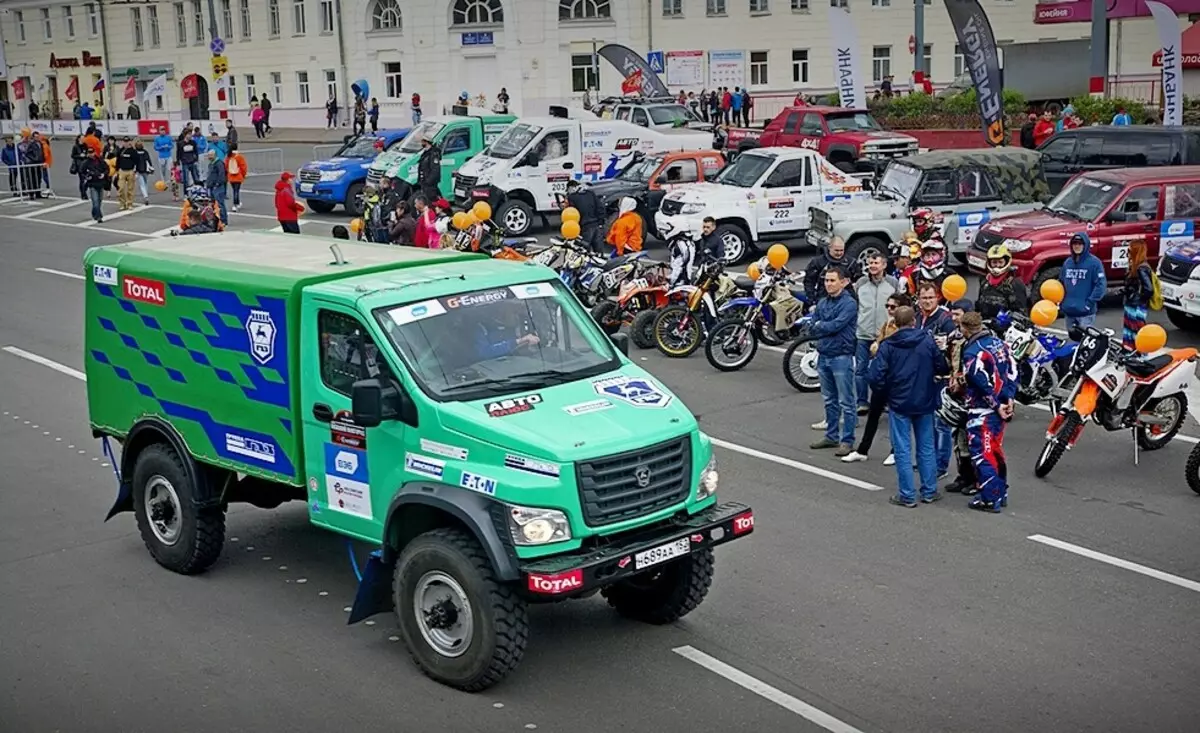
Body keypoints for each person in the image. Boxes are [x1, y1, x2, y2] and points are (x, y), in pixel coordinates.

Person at [868, 305, 948, 507]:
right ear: (914, 321)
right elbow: (941, 365)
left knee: (902, 449)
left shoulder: (888, 345)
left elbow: (875, 375)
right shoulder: (927, 341)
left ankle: (907, 494)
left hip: (899, 401)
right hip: (924, 399)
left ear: (895, 323)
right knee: (926, 447)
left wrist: (887, 392)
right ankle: (929, 490)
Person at [843, 292, 910, 465]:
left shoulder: (902, 328)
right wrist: (876, 344)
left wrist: (879, 347)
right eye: (887, 306)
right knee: (874, 414)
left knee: (896, 418)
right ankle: (863, 450)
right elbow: (880, 340)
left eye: (892, 307)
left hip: (894, 378)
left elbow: (887, 346)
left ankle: (896, 451)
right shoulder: (888, 322)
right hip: (883, 377)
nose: (889, 309)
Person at [959, 311, 1017, 512]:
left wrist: (996, 405)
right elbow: (1012, 372)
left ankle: (990, 498)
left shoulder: (972, 352)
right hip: (1001, 406)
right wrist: (1009, 398)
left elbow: (980, 382)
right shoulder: (999, 343)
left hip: (983, 411)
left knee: (983, 453)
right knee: (996, 449)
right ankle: (1001, 492)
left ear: (964, 329)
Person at [808, 266, 859, 457]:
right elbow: (812, 326)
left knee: (846, 401)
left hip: (841, 356)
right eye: (826, 280)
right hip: (824, 355)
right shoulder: (822, 303)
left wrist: (821, 326)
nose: (828, 284)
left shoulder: (849, 304)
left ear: (843, 282)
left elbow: (836, 325)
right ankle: (831, 435)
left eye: (832, 280)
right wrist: (822, 326)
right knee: (829, 400)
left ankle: (847, 440)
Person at [915, 281, 957, 477]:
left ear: (938, 298)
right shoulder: (917, 317)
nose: (927, 301)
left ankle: (941, 466)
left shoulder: (945, 320)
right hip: (923, 376)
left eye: (931, 298)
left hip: (941, 377)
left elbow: (955, 349)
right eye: (924, 298)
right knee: (927, 422)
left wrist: (946, 344)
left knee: (942, 424)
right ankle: (927, 459)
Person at [854, 252, 901, 415]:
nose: (872, 266)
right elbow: (856, 305)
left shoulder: (892, 283)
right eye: (870, 263)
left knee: (884, 371)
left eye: (876, 263)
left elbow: (899, 305)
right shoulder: (860, 283)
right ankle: (862, 402)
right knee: (860, 369)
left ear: (884, 265)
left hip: (885, 336)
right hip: (863, 333)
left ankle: (882, 401)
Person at [1061, 232, 1106, 333]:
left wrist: (1088, 304)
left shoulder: (1094, 263)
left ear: (1086, 245)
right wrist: (1061, 303)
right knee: (1072, 343)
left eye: (1080, 243)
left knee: (1084, 343)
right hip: (1069, 312)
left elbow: (1100, 286)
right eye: (1074, 243)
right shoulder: (1068, 263)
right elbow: (1061, 283)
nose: (1077, 246)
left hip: (1085, 313)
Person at [975, 244, 1029, 323]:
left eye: (1000, 262)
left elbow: (1022, 313)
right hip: (985, 324)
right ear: (989, 263)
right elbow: (979, 306)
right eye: (994, 262)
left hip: (1005, 326)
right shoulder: (984, 281)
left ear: (1006, 262)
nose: (997, 265)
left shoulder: (1015, 283)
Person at [1121, 239, 1154, 349]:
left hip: (1136, 305)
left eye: (1129, 251)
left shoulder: (1141, 268)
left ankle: (1139, 355)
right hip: (1133, 303)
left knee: (1136, 332)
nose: (1127, 254)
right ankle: (1131, 352)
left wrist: (1137, 297)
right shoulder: (1136, 267)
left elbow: (1149, 289)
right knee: (1130, 332)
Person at [804, 236, 855, 304]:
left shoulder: (851, 262)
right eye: (836, 250)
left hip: (846, 299)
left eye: (841, 250)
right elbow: (809, 282)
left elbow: (859, 280)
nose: (839, 253)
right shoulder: (817, 262)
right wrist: (811, 299)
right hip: (824, 298)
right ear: (829, 248)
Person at [564, 179, 603, 252]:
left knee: (584, 252)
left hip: (585, 228)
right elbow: (600, 208)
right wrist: (600, 222)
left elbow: (572, 215)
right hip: (596, 225)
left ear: (571, 188)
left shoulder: (572, 197)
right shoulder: (591, 193)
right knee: (598, 253)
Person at [80, 146, 108, 223]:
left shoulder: (100, 160)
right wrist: (86, 177)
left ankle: (94, 213)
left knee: (99, 201)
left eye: (92, 152)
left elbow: (106, 168)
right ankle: (99, 216)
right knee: (95, 201)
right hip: (92, 184)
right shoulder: (86, 163)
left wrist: (103, 174)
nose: (91, 154)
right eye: (89, 153)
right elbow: (82, 172)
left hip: (101, 183)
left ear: (94, 152)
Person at [204, 150, 229, 226]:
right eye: (208, 155)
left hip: (217, 187)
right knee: (213, 204)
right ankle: (215, 219)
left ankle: (224, 220)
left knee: (220, 204)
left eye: (210, 155)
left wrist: (217, 184)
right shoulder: (211, 164)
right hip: (211, 187)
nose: (209, 157)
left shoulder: (219, 163)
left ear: (214, 155)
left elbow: (222, 175)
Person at [115, 138, 138, 211]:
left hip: (130, 171)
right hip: (122, 171)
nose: (126, 143)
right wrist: (117, 170)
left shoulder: (133, 151)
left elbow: (137, 161)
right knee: (120, 188)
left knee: (130, 189)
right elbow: (117, 161)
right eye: (124, 142)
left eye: (127, 142)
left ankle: (130, 203)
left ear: (130, 142)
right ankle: (122, 203)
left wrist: (135, 171)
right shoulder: (120, 151)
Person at [417, 136, 441, 201]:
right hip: (424, 183)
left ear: (426, 142)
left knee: (431, 199)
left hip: (430, 185)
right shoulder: (425, 153)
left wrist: (428, 182)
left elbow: (435, 170)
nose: (421, 143)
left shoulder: (433, 154)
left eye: (422, 141)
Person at [226, 143, 248, 212]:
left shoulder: (228, 157)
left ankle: (237, 203)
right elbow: (243, 167)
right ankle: (235, 205)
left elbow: (226, 166)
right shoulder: (239, 157)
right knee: (236, 191)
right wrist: (243, 175)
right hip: (238, 176)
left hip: (231, 177)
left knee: (234, 190)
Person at [132, 139, 152, 205]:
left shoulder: (134, 152)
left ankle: (146, 196)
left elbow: (134, 162)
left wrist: (134, 170)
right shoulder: (145, 152)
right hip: (145, 170)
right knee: (144, 183)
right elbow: (148, 161)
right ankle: (146, 196)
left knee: (142, 184)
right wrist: (151, 168)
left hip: (139, 170)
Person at [70, 134, 90, 199]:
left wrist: (86, 155)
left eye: (84, 138)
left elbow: (88, 152)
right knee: (82, 179)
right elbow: (73, 155)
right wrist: (79, 155)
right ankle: (83, 194)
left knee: (87, 179)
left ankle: (84, 191)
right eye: (82, 138)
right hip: (79, 165)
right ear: (79, 139)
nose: (83, 139)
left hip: (86, 164)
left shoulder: (85, 145)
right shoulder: (75, 146)